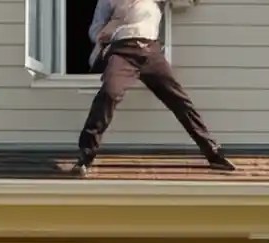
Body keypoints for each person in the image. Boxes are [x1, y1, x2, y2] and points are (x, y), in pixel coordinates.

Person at [74, 0, 236, 175]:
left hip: (151, 51)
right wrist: (109, 29)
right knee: (109, 94)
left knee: (178, 100)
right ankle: (85, 156)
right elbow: (94, 31)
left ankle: (213, 152)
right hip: (121, 51)